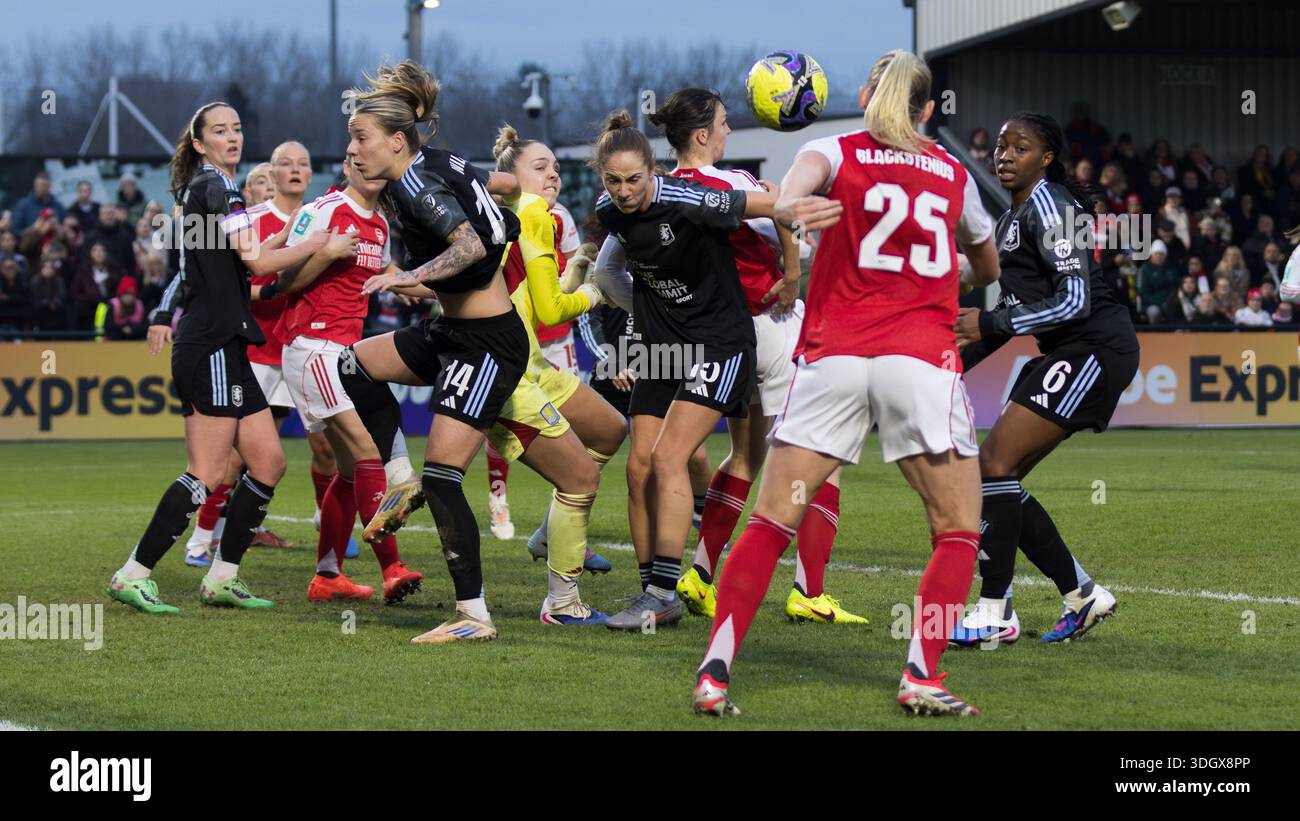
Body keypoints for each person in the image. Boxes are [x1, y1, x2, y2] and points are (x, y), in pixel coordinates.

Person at [693, 49, 1000, 717]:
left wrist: (801, 215)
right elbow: (985, 260)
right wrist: (949, 284)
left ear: (865, 93)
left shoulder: (832, 148)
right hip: (919, 359)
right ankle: (921, 672)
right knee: (956, 529)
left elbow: (790, 196)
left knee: (772, 518)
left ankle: (715, 670)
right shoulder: (952, 171)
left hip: (834, 358)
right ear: (926, 110)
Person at [645, 86, 863, 625]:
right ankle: (809, 591)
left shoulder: (663, 194)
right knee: (821, 457)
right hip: (775, 325)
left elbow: (615, 271)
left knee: (744, 457)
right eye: (721, 123)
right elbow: (788, 215)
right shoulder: (730, 184)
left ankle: (697, 574)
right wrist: (791, 272)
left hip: (722, 339)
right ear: (701, 134)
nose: (726, 131)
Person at [107, 101, 334, 613]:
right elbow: (254, 262)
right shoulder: (217, 187)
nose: (232, 137)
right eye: (219, 130)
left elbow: (220, 264)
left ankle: (222, 578)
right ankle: (133, 573)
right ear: (199, 142)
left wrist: (285, 235)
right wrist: (315, 244)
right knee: (206, 472)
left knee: (270, 462)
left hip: (224, 344)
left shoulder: (203, 190)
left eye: (236, 128)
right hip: (209, 344)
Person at [338, 61, 530, 643]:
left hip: (486, 345)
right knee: (354, 363)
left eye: (361, 138)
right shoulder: (438, 162)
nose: (353, 149)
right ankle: (400, 477)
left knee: (445, 478)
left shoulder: (415, 185)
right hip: (451, 333)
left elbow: (470, 244)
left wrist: (407, 275)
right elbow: (502, 219)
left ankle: (474, 616)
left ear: (397, 140)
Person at [588, 109, 789, 632]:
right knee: (639, 470)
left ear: (653, 171)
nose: (625, 190)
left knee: (671, 455)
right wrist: (647, 307)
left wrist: (793, 274)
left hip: (719, 344)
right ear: (602, 179)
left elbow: (784, 207)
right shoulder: (611, 211)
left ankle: (664, 593)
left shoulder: (694, 199)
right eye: (614, 180)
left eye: (635, 179)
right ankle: (649, 585)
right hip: (661, 346)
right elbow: (606, 272)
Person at [952, 111, 1135, 649]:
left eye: (1020, 147)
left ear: (1047, 158)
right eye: (1001, 146)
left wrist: (989, 321)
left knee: (992, 466)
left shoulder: (1052, 204)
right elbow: (1011, 315)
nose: (1004, 155)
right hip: (1073, 349)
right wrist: (944, 363)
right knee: (995, 480)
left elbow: (1074, 298)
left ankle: (995, 612)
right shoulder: (1012, 220)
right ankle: (1081, 595)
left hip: (1096, 346)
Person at [274, 157, 425, 603]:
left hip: (343, 352)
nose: (365, 163)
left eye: (371, 155)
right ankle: (392, 567)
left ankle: (327, 576)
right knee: (368, 452)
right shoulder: (322, 210)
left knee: (346, 471)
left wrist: (433, 286)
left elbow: (390, 274)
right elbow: (282, 281)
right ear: (346, 165)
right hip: (311, 345)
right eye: (355, 156)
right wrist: (326, 253)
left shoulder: (379, 223)